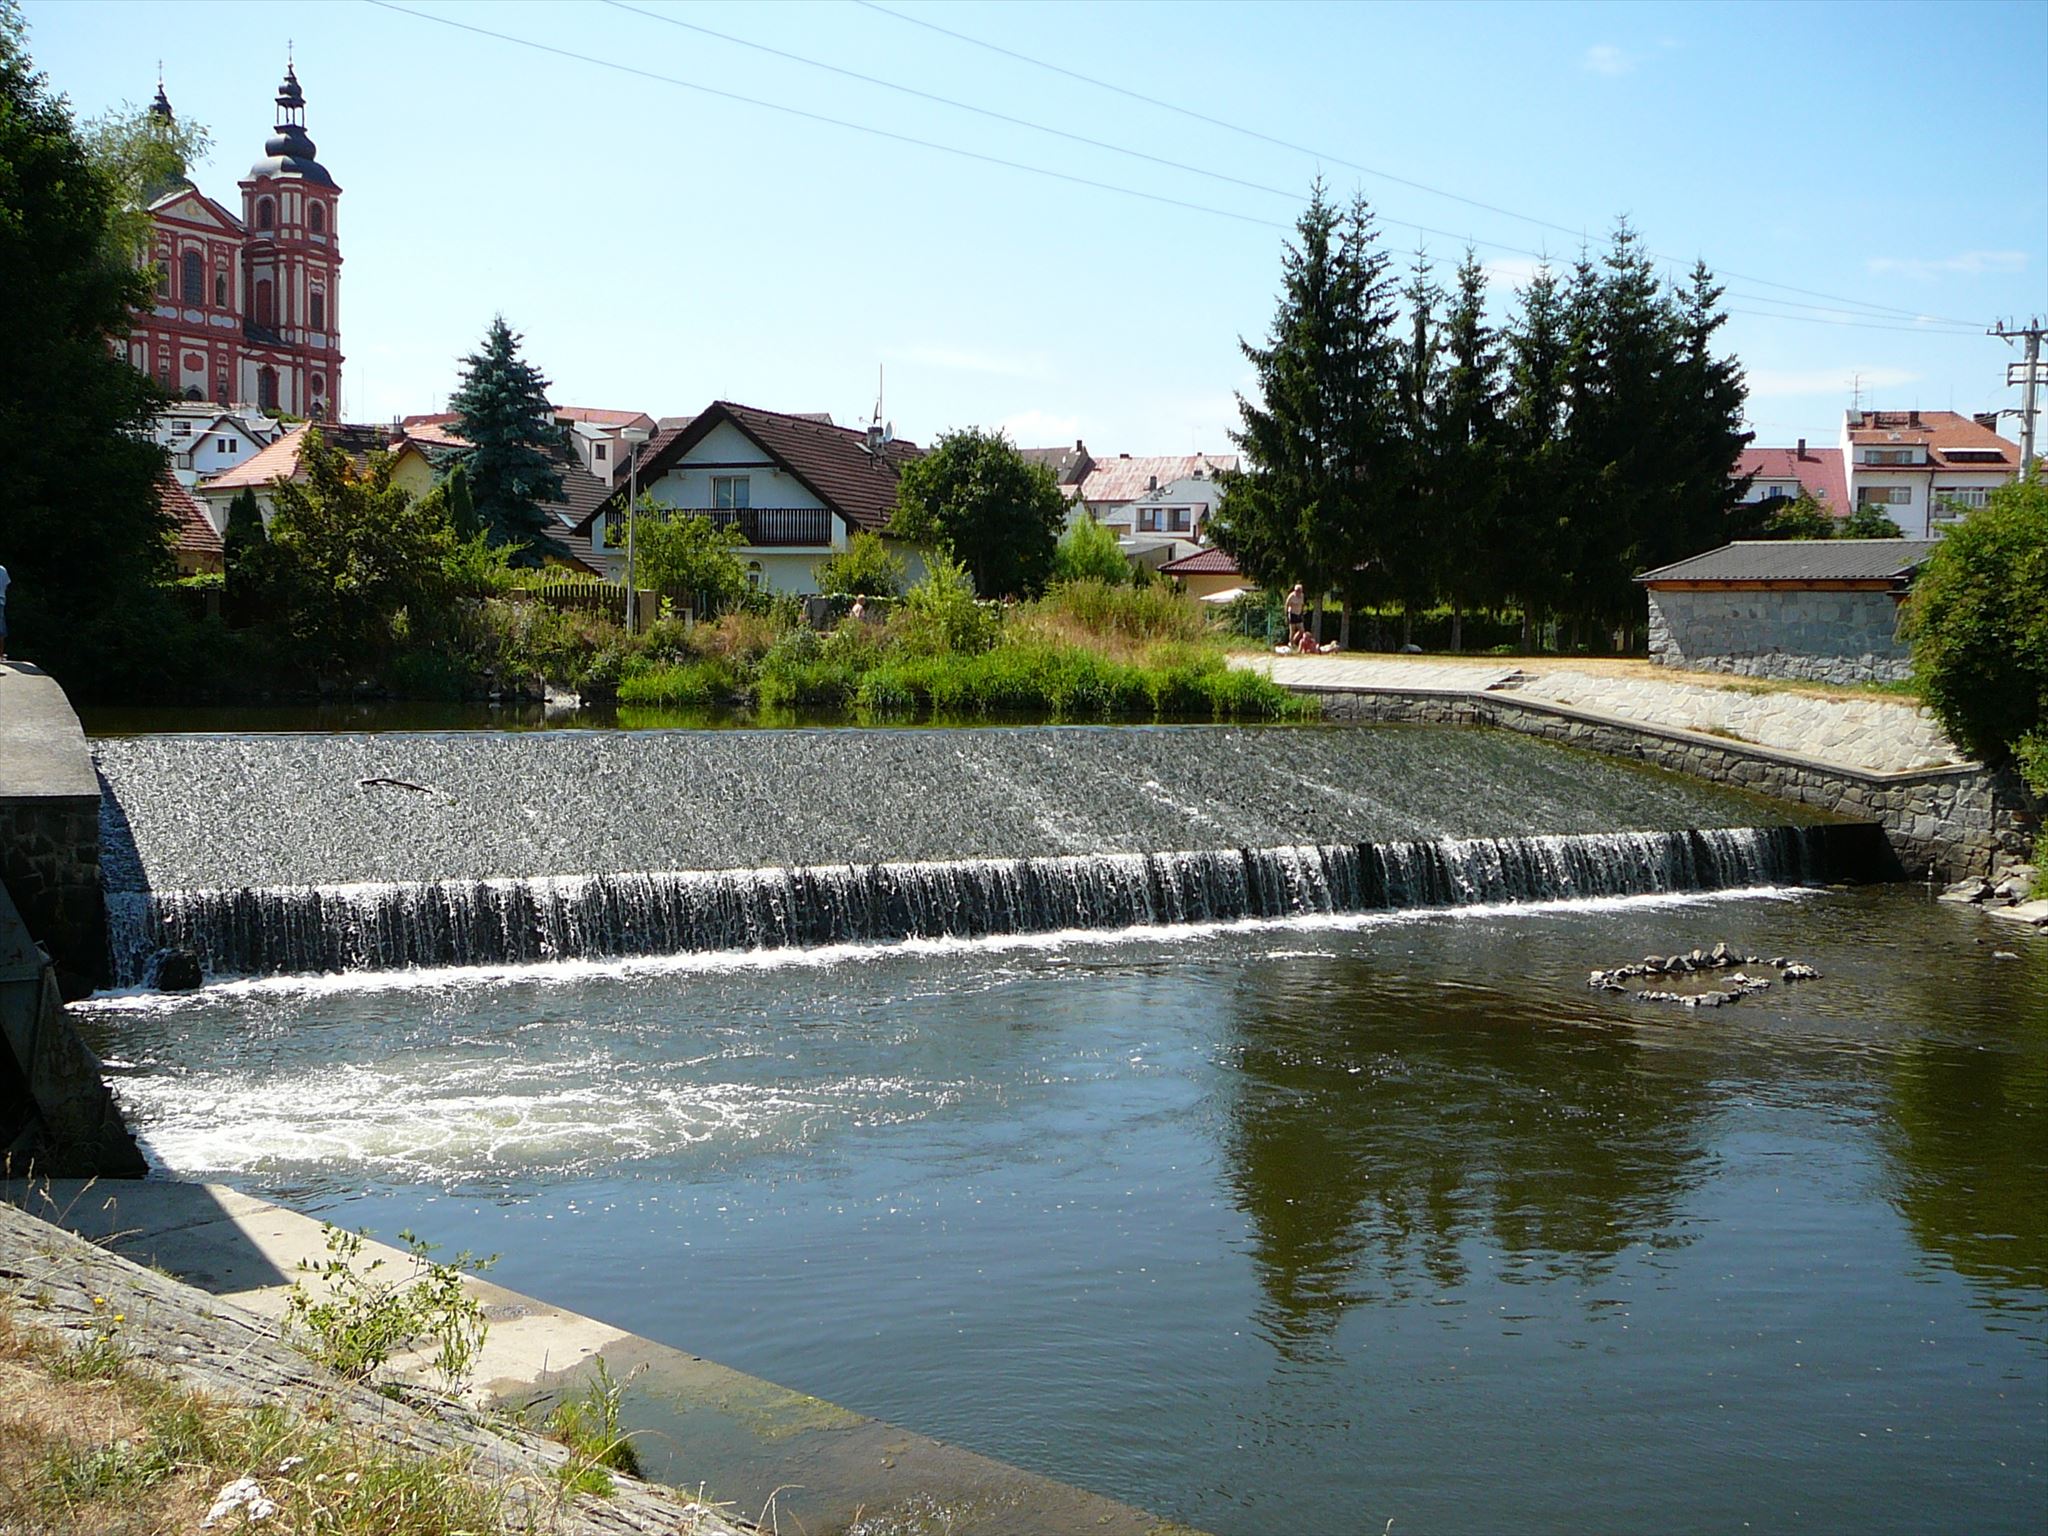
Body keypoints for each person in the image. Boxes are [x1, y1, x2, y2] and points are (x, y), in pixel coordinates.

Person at [0, 562, 10, 662]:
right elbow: (6, 585)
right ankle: (0, 655)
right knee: (1, 630)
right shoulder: (2, 569)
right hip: (1, 601)